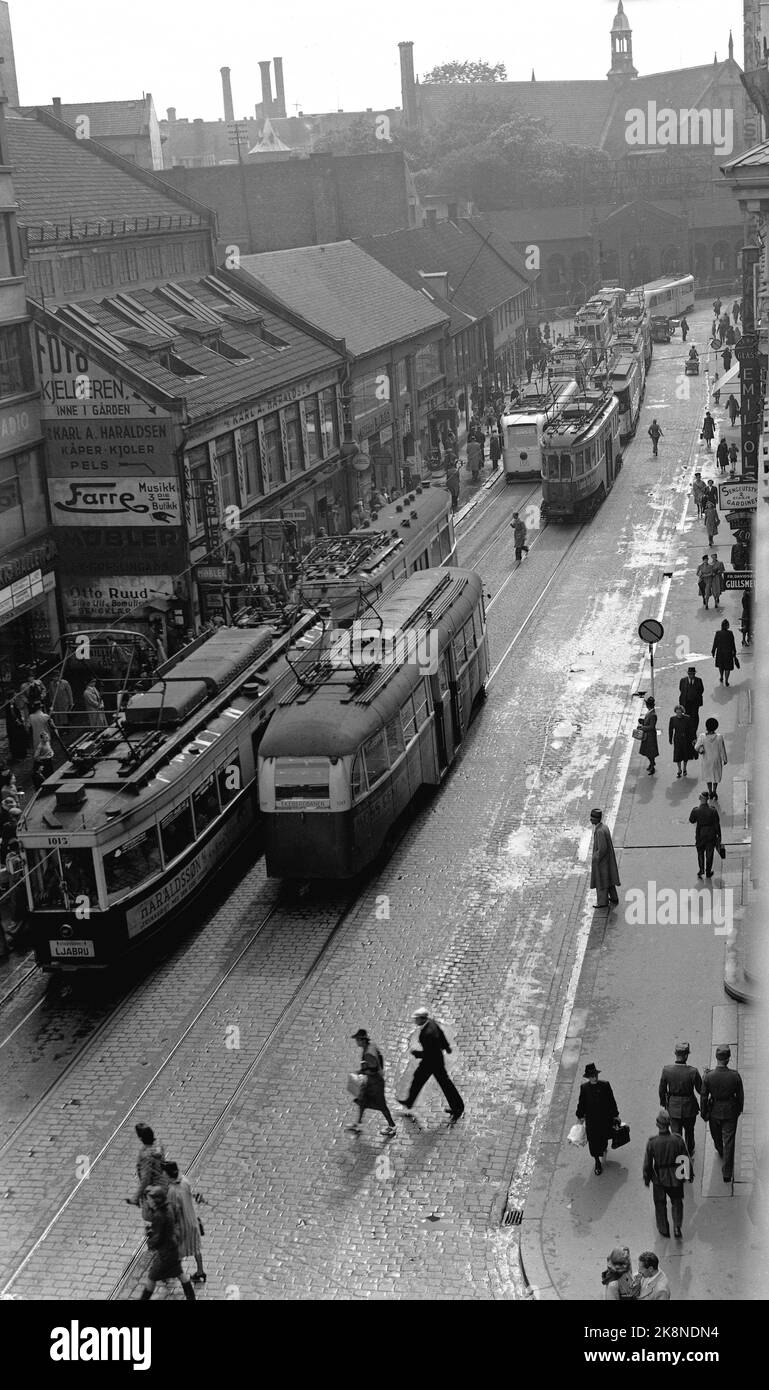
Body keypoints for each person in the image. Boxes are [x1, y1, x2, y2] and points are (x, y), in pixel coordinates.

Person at [398, 1007, 464, 1122]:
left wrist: (416, 1053)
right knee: (419, 1079)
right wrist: (446, 1047)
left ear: (422, 1019)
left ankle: (458, 1107)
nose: (415, 1021)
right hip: (432, 1060)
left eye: (416, 1019)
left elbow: (429, 1053)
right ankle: (409, 1102)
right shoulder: (431, 1023)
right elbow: (441, 1034)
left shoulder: (428, 1033)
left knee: (445, 1084)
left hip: (433, 1062)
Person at [139, 1187, 195, 1301]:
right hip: (174, 1247)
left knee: (151, 1277)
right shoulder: (169, 1207)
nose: (148, 1202)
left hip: (166, 1253)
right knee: (180, 1273)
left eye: (149, 1199)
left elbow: (158, 1238)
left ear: (156, 1200)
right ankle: (191, 1297)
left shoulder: (159, 1215)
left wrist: (149, 1237)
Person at [701, 1046, 744, 1184]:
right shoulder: (735, 1075)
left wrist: (704, 1113)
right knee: (729, 1142)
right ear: (728, 1058)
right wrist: (738, 1110)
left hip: (714, 1110)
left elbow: (703, 1096)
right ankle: (727, 1173)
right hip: (730, 1111)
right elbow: (740, 1096)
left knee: (716, 1136)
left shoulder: (709, 1076)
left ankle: (720, 1150)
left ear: (716, 1058)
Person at [643, 1109, 689, 1238]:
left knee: (660, 1203)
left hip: (659, 1178)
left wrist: (647, 1179)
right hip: (676, 1176)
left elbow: (647, 1164)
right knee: (677, 1202)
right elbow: (685, 1158)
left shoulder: (652, 1142)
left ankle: (664, 1229)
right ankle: (677, 1227)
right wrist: (686, 1176)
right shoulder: (678, 1139)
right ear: (669, 1124)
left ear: (658, 1125)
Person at [347, 1029, 397, 1136]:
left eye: (357, 1040)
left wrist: (361, 1072)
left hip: (376, 1084)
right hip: (372, 1082)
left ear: (362, 1040)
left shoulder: (368, 1054)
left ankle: (392, 1126)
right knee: (362, 1101)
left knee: (382, 1106)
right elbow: (380, 1057)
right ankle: (358, 1124)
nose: (356, 1042)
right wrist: (381, 1070)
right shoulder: (371, 1046)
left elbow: (373, 1069)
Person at [163, 1161, 206, 1283]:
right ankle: (200, 1272)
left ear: (169, 1175)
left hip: (182, 1226)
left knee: (178, 1252)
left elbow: (172, 1211)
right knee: (195, 1248)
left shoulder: (172, 1191)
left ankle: (172, 1273)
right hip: (192, 1221)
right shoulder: (185, 1181)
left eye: (165, 1174)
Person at [575, 1063, 620, 1176]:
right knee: (593, 1143)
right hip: (592, 1121)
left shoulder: (605, 1085)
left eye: (595, 1075)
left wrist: (616, 1115)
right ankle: (597, 1162)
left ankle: (604, 1150)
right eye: (592, 1076)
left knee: (603, 1139)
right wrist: (580, 1116)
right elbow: (582, 1104)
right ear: (588, 1077)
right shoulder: (584, 1088)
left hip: (604, 1119)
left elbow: (611, 1101)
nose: (594, 1077)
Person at [659, 1042, 702, 1157]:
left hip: (673, 1108)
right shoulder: (693, 1071)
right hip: (689, 1107)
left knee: (676, 1133)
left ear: (675, 1054)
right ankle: (690, 1150)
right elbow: (701, 1090)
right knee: (689, 1131)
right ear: (687, 1055)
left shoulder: (666, 1070)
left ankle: (678, 1154)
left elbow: (661, 1090)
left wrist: (665, 1104)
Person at [127, 1123, 168, 1219]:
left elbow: (146, 1179)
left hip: (153, 1191)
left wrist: (136, 1197)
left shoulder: (146, 1156)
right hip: (163, 1184)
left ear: (141, 1138)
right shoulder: (158, 1144)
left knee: (151, 1217)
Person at [589, 808, 620, 907]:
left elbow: (602, 849)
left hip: (602, 863)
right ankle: (614, 898)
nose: (590, 819)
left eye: (592, 818)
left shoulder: (599, 831)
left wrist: (595, 857)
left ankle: (602, 902)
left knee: (601, 882)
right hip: (608, 861)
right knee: (609, 881)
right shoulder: (604, 827)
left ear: (596, 819)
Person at [689, 790, 722, 879]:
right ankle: (708, 871)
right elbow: (717, 824)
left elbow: (692, 820)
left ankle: (701, 870)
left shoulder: (696, 810)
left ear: (700, 798)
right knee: (709, 854)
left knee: (700, 852)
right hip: (711, 834)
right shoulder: (713, 810)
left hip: (700, 834)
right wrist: (719, 836)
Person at [696, 716, 727, 801]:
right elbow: (722, 749)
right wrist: (724, 759)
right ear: (716, 727)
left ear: (706, 726)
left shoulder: (702, 736)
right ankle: (714, 791)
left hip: (706, 760)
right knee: (716, 776)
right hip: (716, 760)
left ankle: (709, 792)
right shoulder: (719, 737)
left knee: (708, 776)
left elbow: (696, 747)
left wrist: (699, 748)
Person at [668, 705, 697, 778]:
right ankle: (679, 769)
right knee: (678, 755)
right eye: (677, 712)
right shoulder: (672, 719)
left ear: (682, 712)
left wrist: (694, 738)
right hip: (677, 739)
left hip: (686, 739)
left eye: (680, 712)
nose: (678, 714)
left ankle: (684, 768)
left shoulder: (687, 718)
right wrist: (670, 739)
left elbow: (691, 729)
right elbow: (670, 730)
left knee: (685, 754)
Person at [712, 618, 737, 686]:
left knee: (721, 666)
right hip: (728, 653)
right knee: (727, 668)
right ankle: (726, 680)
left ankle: (721, 677)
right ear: (727, 626)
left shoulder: (718, 633)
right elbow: (732, 643)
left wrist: (713, 651)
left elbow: (715, 643)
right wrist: (734, 651)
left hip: (720, 653)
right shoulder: (730, 633)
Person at [4, 696, 29, 761]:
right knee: (18, 739)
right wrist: (19, 722)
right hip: (14, 726)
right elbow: (13, 714)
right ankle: (19, 755)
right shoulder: (10, 704)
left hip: (13, 725)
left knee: (19, 739)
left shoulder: (10, 703)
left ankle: (22, 754)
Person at [638, 695, 658, 775]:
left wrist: (642, 728)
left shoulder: (653, 714)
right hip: (648, 735)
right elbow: (648, 723)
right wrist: (642, 721)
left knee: (650, 752)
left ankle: (652, 766)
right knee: (648, 752)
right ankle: (651, 763)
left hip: (650, 736)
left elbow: (651, 726)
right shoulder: (650, 712)